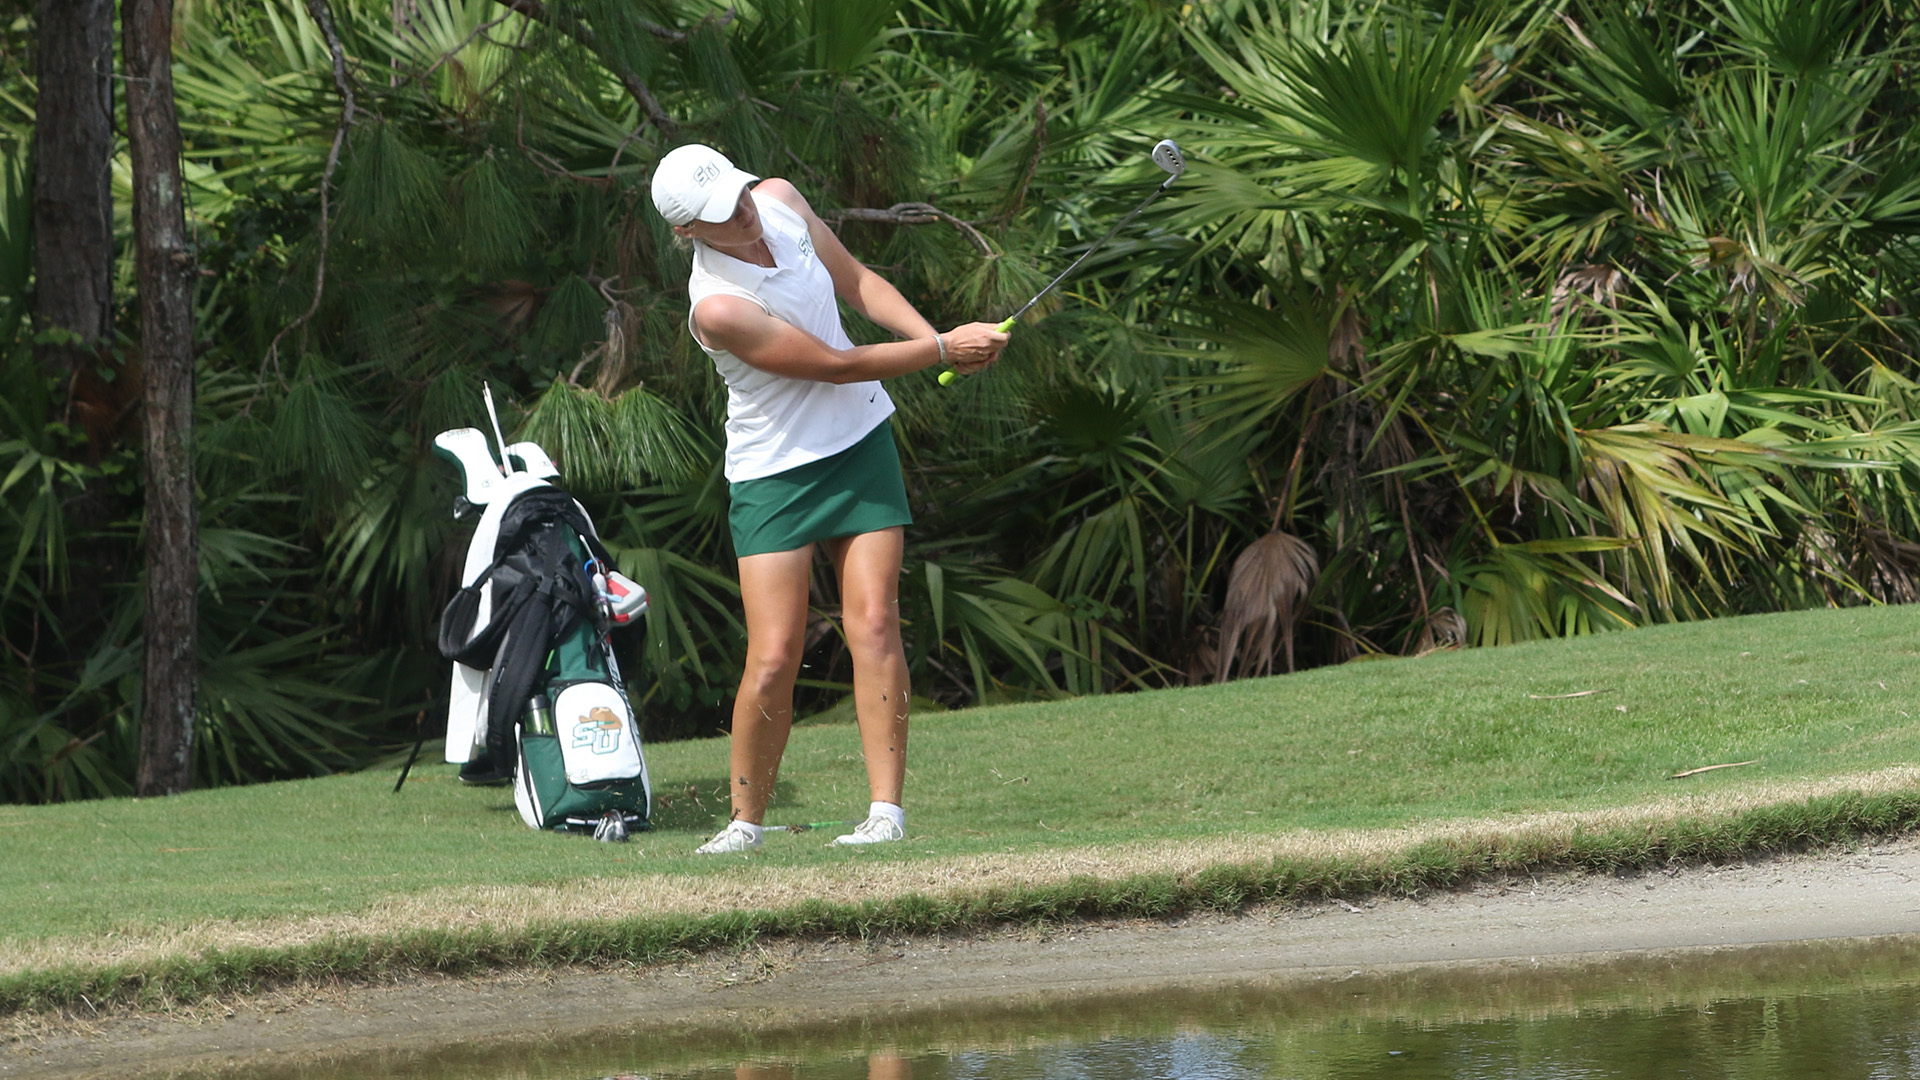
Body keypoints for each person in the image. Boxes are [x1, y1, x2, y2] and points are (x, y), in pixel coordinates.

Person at [649, 144, 1007, 854]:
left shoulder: (780, 199)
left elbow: (858, 282)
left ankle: (886, 815)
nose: (745, 214)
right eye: (724, 214)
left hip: (860, 445)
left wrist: (933, 340)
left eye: (740, 194)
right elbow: (834, 366)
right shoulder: (717, 307)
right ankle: (745, 824)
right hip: (774, 472)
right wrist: (941, 353)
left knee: (873, 623)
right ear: (689, 232)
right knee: (775, 654)